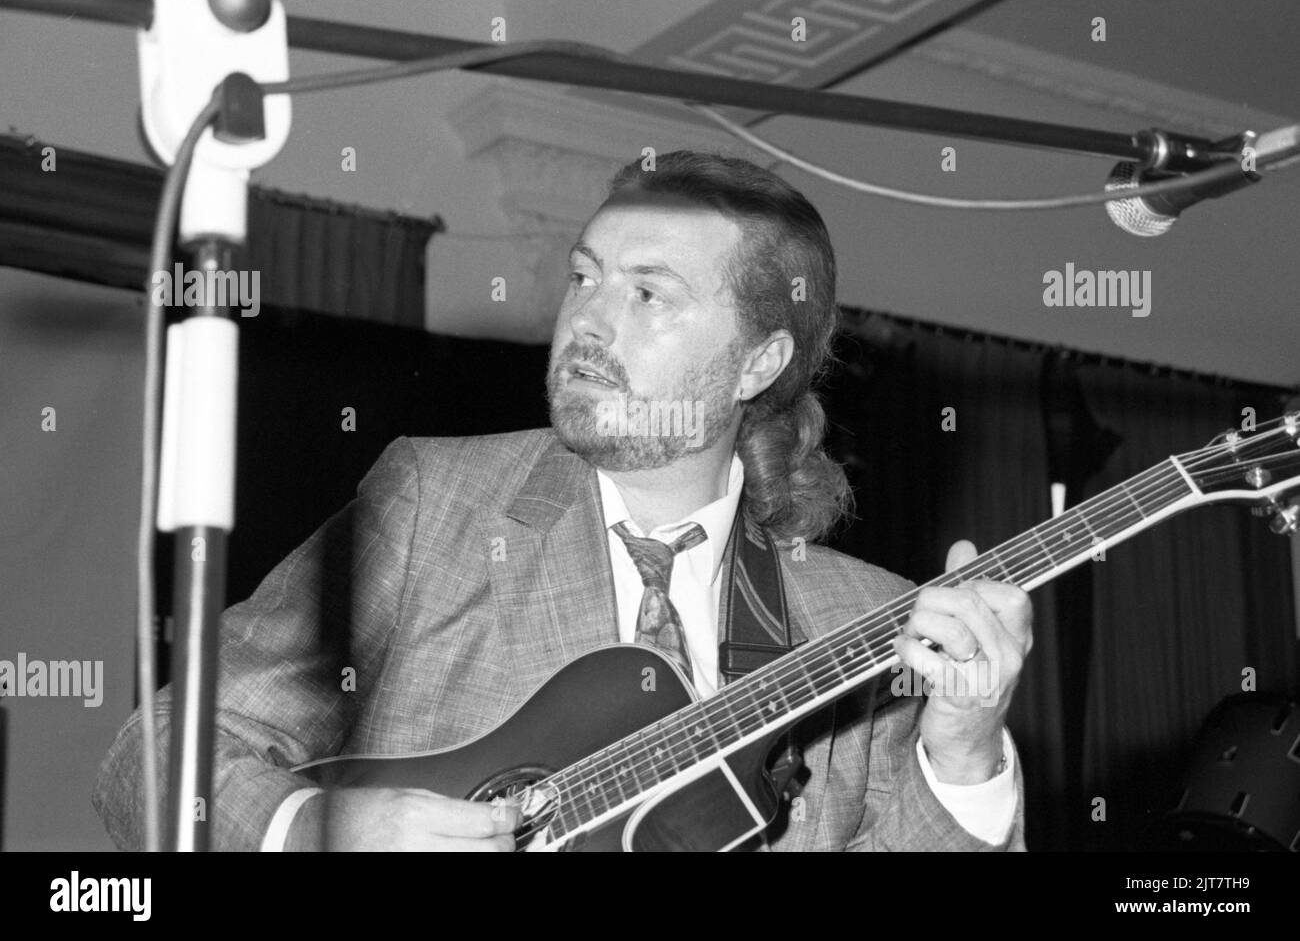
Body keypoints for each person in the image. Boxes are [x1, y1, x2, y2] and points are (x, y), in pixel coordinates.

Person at [94, 149, 1032, 851]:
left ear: (760, 361)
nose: (587, 317)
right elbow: (153, 752)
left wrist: (964, 759)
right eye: (583, 277)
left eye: (648, 293)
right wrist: (309, 830)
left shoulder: (868, 623)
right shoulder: (438, 505)